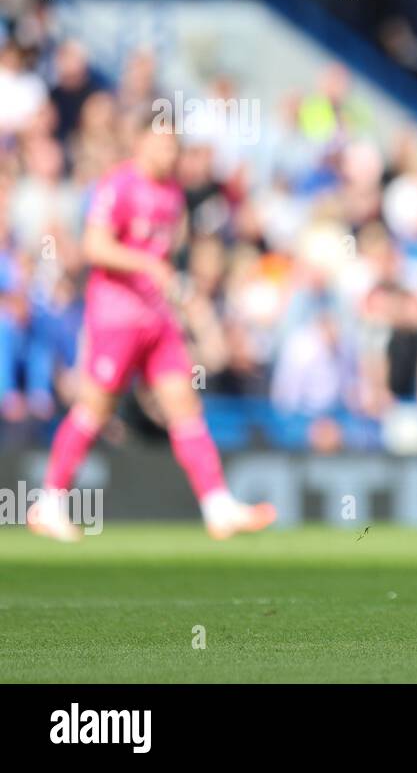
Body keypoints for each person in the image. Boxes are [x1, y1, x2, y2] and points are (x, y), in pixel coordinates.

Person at [28, 121, 276, 542]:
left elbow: (165, 254)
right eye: (161, 142)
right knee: (95, 407)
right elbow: (95, 246)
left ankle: (218, 506)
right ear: (140, 141)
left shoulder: (173, 193)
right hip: (117, 315)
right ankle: (49, 502)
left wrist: (175, 289)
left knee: (184, 405)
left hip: (157, 318)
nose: (169, 151)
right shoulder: (120, 184)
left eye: (173, 144)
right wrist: (147, 266)